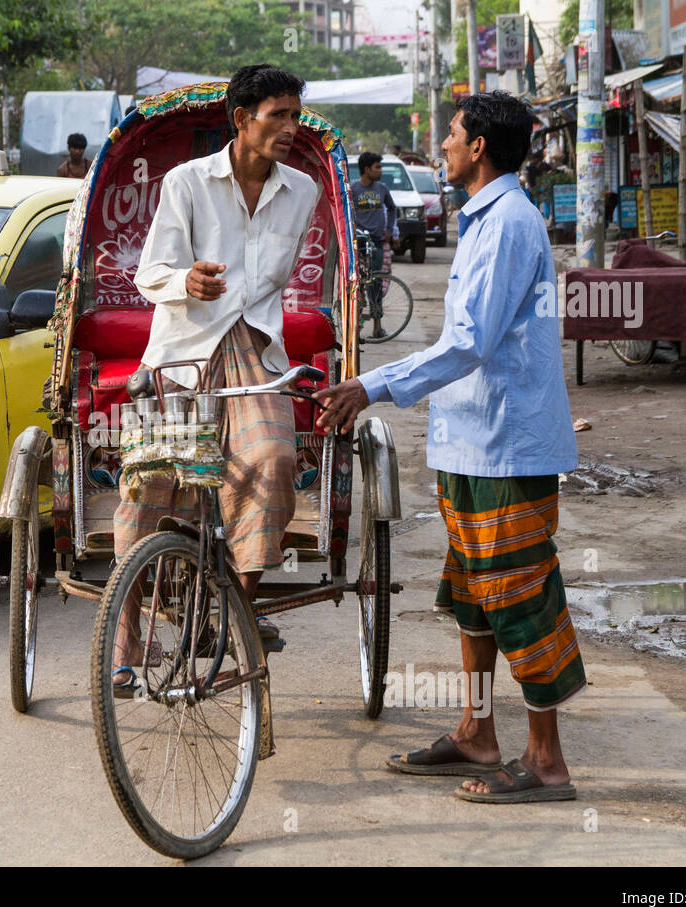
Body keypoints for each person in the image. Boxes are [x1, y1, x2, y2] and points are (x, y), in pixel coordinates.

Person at [317, 91, 585, 803]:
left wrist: (371, 386)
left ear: (482, 149)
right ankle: (477, 731)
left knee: (521, 597)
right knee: (474, 599)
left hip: (506, 446)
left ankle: (547, 762)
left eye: (453, 137)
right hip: (470, 442)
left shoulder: (507, 226)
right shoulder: (484, 219)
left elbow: (468, 343)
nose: (443, 147)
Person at [109, 64, 321, 694]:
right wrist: (185, 282)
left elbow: (272, 286)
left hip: (256, 351)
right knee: (150, 485)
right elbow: (150, 274)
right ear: (241, 120)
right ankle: (125, 634)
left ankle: (234, 607)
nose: (289, 127)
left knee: (275, 457)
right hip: (182, 350)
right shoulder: (187, 183)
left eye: (294, 115)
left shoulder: (303, 191)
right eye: (276, 115)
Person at [350, 151, 398, 338]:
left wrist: (389, 229)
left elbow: (392, 209)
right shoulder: (353, 190)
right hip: (358, 246)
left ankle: (377, 326)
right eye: (377, 167)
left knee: (375, 284)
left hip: (377, 243)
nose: (381, 170)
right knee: (357, 287)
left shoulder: (382, 189)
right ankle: (355, 328)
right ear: (366, 169)